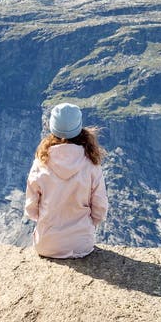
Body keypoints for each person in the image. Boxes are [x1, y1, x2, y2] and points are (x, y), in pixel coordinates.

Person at [24, 102, 108, 259]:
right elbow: (100, 208)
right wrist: (87, 225)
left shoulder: (41, 163)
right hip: (82, 244)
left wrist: (47, 220)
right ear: (79, 127)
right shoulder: (91, 164)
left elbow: (31, 208)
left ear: (52, 127)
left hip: (46, 244)